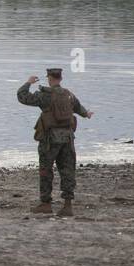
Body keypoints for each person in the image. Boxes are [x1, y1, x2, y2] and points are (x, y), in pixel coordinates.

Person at [17, 67, 95, 216]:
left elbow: (22, 97)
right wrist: (86, 114)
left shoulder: (45, 96)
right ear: (61, 78)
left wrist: (28, 82)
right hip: (68, 138)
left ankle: (46, 203)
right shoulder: (68, 95)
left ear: (49, 78)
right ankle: (67, 205)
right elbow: (79, 108)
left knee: (46, 170)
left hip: (50, 139)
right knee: (67, 170)